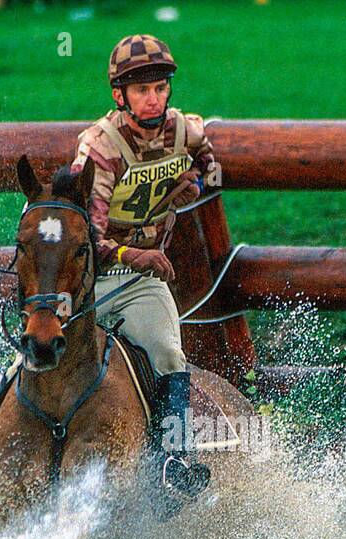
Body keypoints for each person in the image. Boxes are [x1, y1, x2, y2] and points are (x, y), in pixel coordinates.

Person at [68, 33, 218, 504]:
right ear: (120, 95)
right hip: (92, 276)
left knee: (168, 352)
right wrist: (136, 255)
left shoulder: (184, 130)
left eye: (159, 88)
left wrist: (193, 182)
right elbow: (90, 234)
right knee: (34, 354)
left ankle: (173, 459)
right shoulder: (100, 148)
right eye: (141, 91)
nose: (153, 99)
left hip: (141, 283)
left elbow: (209, 163)